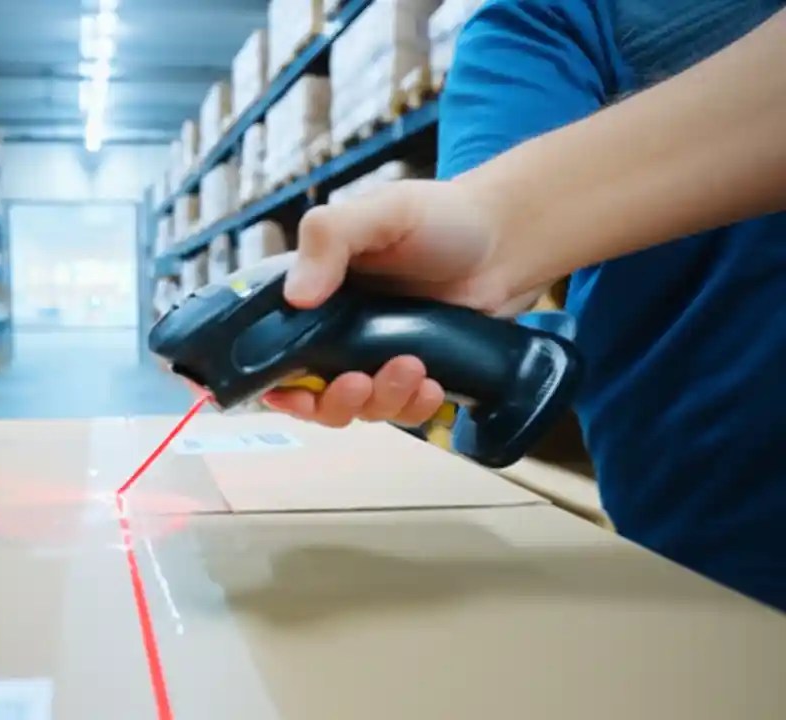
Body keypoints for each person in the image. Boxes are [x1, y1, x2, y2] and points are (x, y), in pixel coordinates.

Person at [264, 4, 786, 609]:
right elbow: (475, 235)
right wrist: (484, 237)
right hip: (699, 503)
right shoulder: (535, 18)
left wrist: (497, 227)